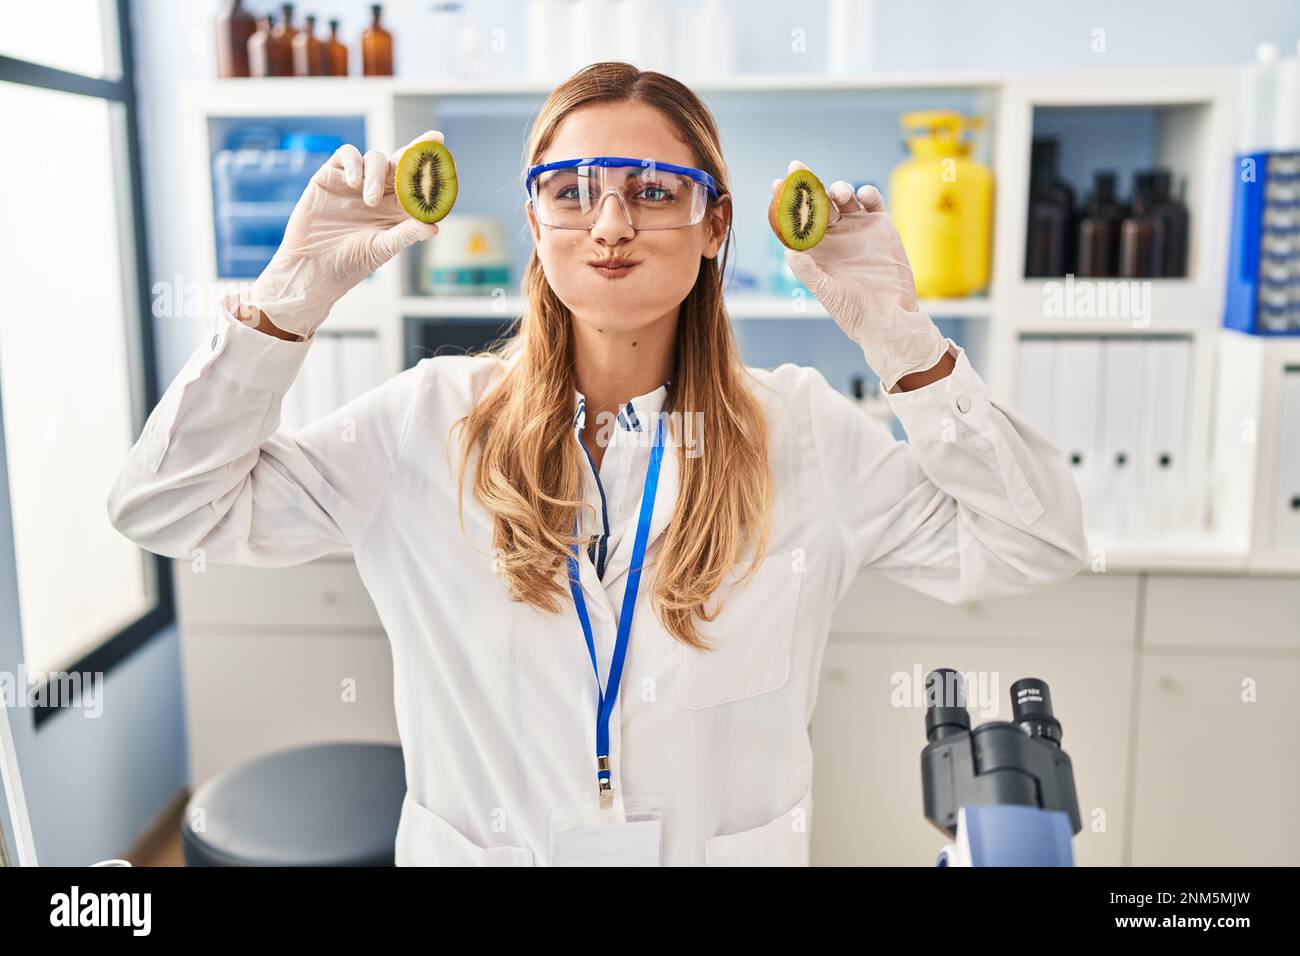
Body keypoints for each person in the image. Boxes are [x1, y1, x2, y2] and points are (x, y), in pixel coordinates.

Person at [107, 62, 1088, 866]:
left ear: (715, 227)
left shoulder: (802, 431)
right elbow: (165, 505)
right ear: (535, 224)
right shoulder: (421, 424)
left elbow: (1035, 541)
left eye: (653, 192)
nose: (610, 223)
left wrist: (899, 333)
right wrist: (284, 299)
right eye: (571, 192)